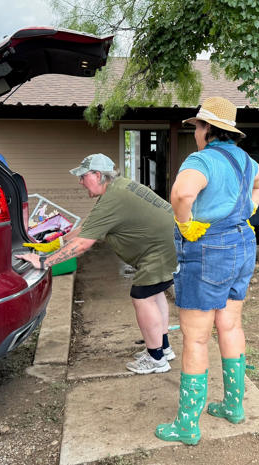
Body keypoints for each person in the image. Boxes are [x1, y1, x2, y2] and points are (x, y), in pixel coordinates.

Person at [155, 97, 259, 445]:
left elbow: (181, 193)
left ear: (207, 129)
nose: (195, 133)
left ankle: (188, 425)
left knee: (196, 337)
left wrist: (185, 223)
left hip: (208, 250)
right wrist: (246, 208)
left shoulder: (201, 159)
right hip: (242, 245)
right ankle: (233, 407)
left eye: (197, 127)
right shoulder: (245, 160)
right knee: (230, 324)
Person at [16, 153, 178, 374]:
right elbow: (88, 227)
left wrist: (44, 262)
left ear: (98, 175)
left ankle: (156, 358)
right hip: (170, 246)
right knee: (155, 294)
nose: (80, 182)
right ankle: (163, 348)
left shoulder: (113, 198)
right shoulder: (119, 188)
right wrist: (55, 243)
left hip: (158, 252)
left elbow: (83, 244)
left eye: (83, 176)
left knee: (142, 296)